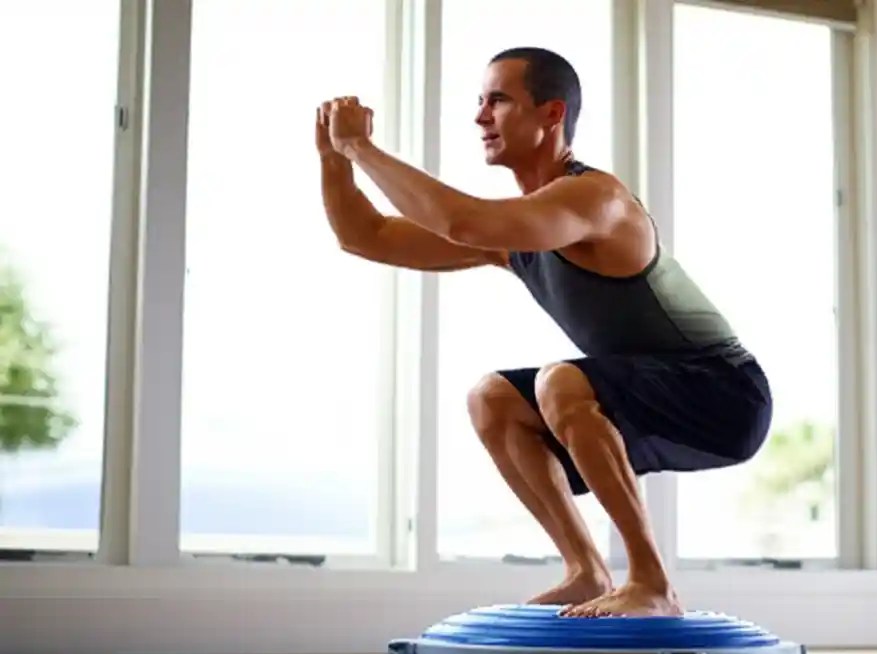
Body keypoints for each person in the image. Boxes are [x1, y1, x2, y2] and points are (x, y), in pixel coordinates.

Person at [315, 47, 771, 618]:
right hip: (647, 391)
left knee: (560, 382)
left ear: (552, 115)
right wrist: (335, 159)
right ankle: (586, 572)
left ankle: (653, 584)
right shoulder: (517, 231)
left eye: (499, 100)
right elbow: (368, 236)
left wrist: (362, 146)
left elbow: (463, 219)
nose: (481, 116)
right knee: (495, 398)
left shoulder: (594, 199)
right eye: (480, 101)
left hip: (726, 393)